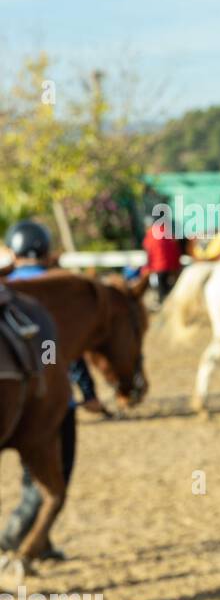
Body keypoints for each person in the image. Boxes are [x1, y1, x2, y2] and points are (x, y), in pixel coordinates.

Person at [1, 220, 85, 559]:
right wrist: (85, 391)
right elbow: (60, 355)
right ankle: (21, 537)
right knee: (45, 476)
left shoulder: (14, 284)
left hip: (34, 383)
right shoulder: (47, 297)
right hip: (45, 395)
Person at [142, 218, 182, 303]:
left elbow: (149, 251)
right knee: (171, 288)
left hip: (159, 267)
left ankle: (163, 305)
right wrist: (176, 265)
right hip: (171, 267)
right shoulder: (168, 233)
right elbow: (176, 250)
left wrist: (147, 268)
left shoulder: (150, 235)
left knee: (161, 290)